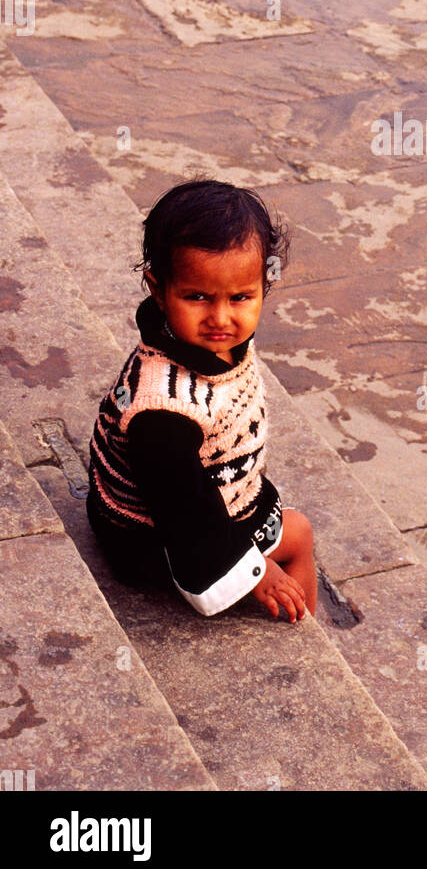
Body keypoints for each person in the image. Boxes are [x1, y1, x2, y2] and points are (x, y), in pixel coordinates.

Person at [87, 180, 317, 622]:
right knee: (299, 534)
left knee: (296, 530)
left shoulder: (208, 345)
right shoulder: (163, 410)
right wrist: (255, 571)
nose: (220, 318)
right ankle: (300, 623)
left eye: (241, 297)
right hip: (149, 536)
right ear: (158, 288)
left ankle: (302, 614)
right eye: (197, 297)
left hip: (197, 499)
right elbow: (184, 512)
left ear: (263, 286)